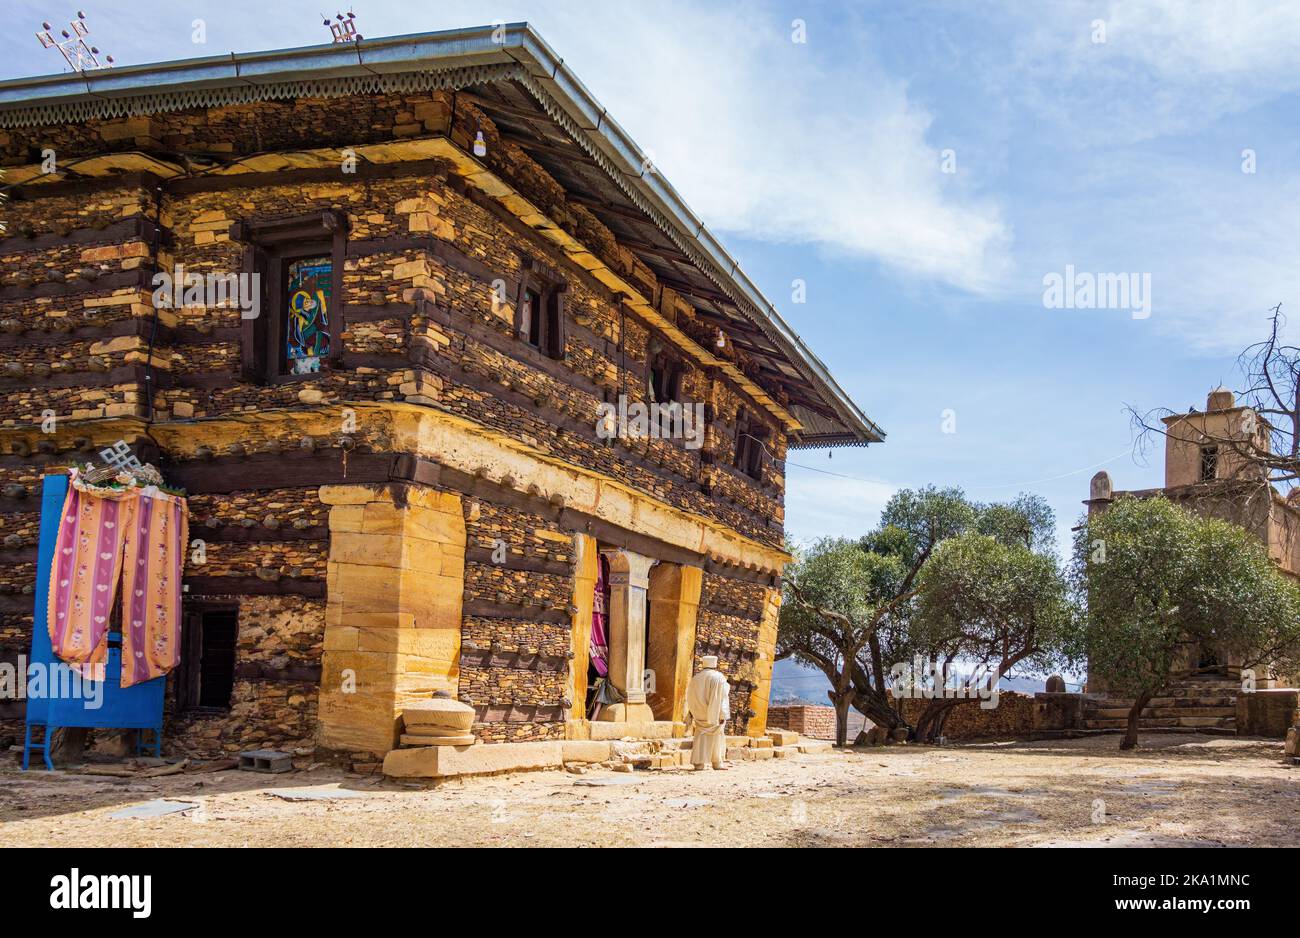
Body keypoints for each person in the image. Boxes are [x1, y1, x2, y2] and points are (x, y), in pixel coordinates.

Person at [684, 655, 731, 770]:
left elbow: (690, 696)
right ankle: (717, 763)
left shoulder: (696, 678)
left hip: (699, 714)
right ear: (715, 665)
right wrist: (722, 714)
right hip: (714, 714)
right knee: (717, 736)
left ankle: (698, 764)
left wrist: (693, 712)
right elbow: (722, 698)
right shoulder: (718, 677)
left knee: (700, 737)